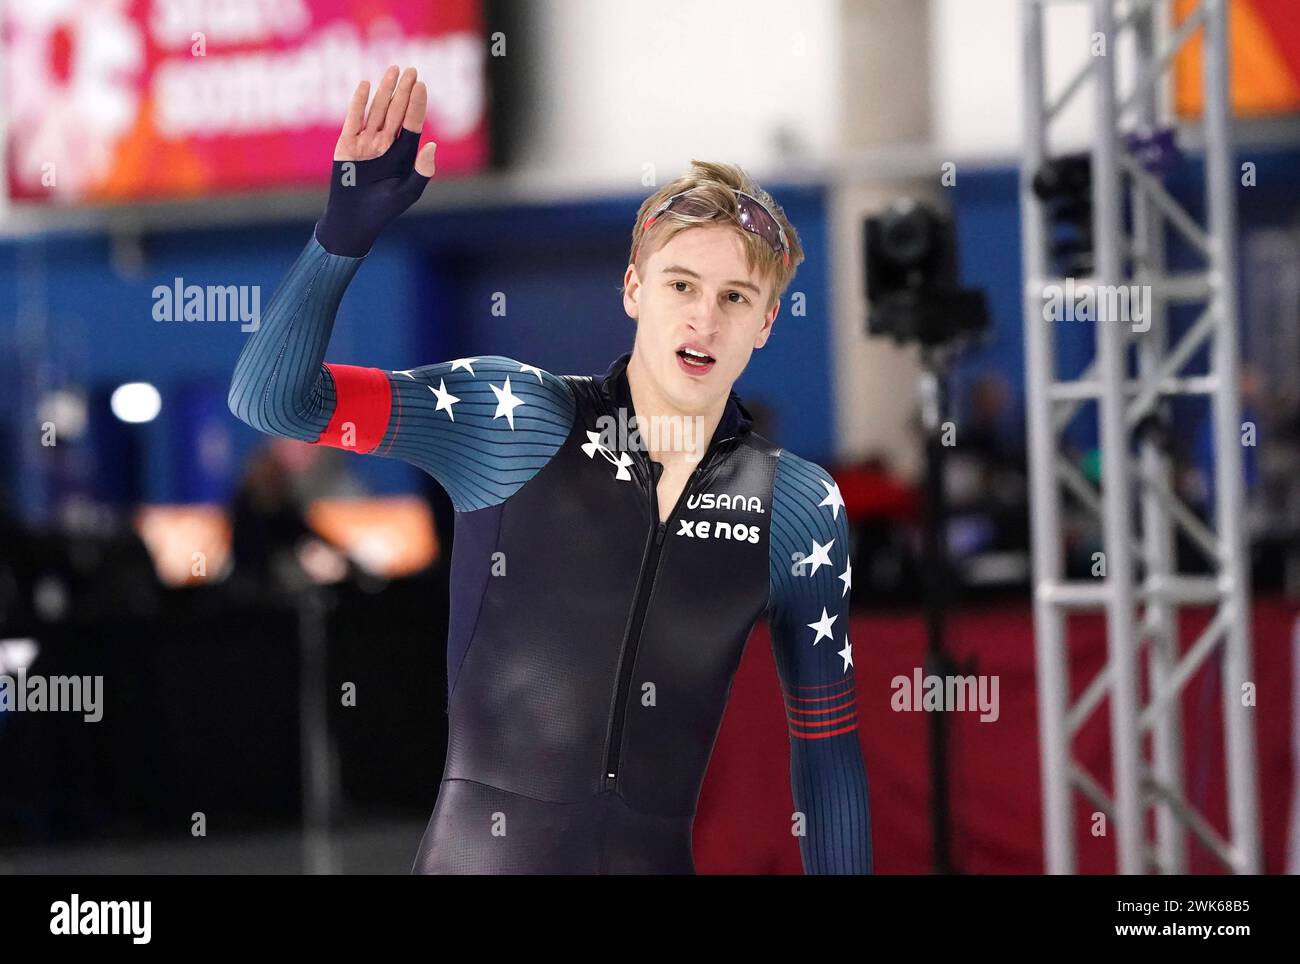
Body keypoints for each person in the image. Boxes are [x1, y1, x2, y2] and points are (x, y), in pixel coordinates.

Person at [228, 65, 871, 874]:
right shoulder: (519, 419)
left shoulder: (797, 505)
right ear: (634, 288)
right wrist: (341, 237)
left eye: (737, 297)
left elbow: (828, 754)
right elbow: (272, 402)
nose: (705, 317)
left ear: (769, 321)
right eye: (682, 284)